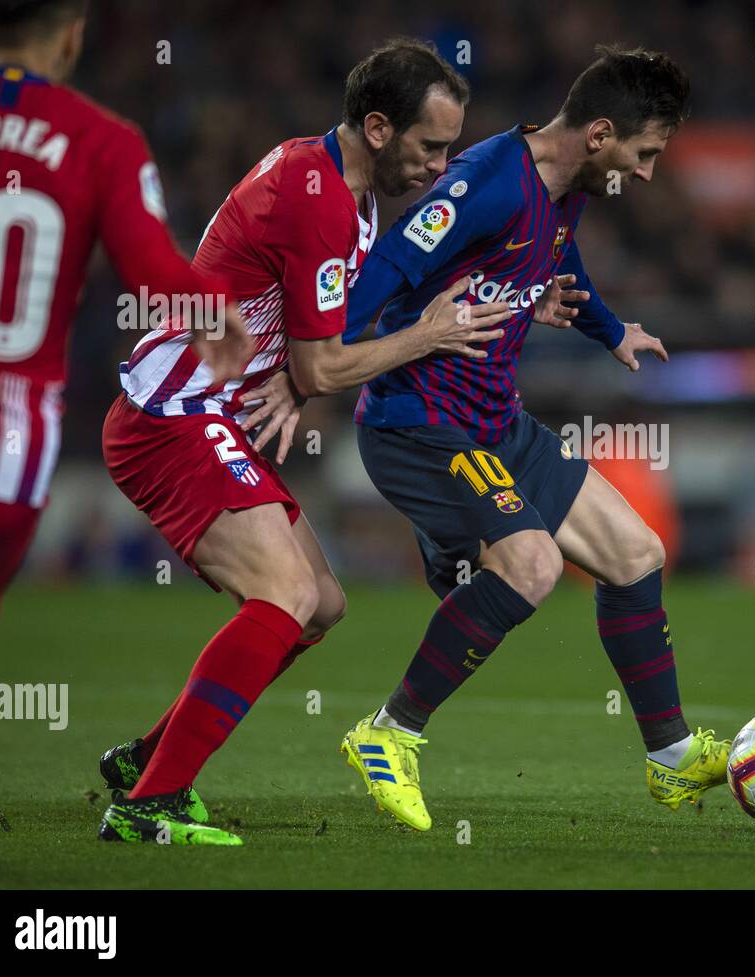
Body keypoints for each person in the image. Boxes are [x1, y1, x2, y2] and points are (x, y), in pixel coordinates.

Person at [97, 38, 513, 845]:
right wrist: (425, 336)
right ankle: (150, 803)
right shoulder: (318, 196)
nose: (442, 164)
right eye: (432, 145)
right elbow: (324, 364)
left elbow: (313, 335)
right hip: (172, 416)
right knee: (283, 596)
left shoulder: (332, 179)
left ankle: (146, 758)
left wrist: (294, 371)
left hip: (209, 411)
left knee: (321, 603)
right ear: (381, 128)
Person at [332, 45, 729, 832]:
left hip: (494, 424)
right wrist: (326, 355)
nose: (647, 173)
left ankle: (672, 756)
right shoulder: (485, 182)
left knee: (636, 553)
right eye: (644, 154)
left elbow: (556, 256)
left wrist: (610, 331)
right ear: (600, 134)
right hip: (420, 423)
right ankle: (389, 731)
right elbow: (387, 265)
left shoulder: (563, 186)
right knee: (532, 564)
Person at [0, 0, 249, 625]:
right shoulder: (102, 140)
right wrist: (216, 310)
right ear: (72, 38)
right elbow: (149, 268)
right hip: (3, 460)